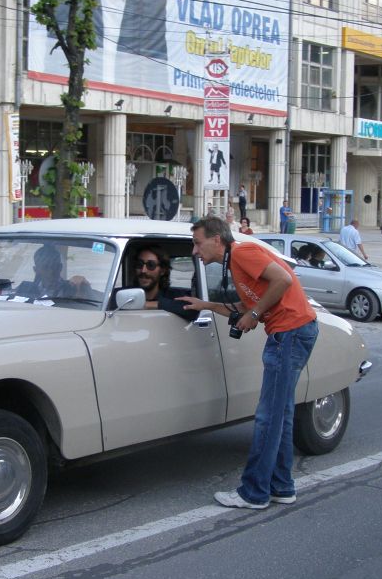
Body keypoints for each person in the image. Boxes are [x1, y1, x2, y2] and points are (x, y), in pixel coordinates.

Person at [180, 216, 318, 509]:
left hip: (289, 333)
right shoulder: (235, 263)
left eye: (197, 243)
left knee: (268, 416)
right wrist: (206, 305)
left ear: (216, 240)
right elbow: (245, 304)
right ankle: (281, 486)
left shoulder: (242, 252)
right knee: (281, 415)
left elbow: (283, 279)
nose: (195, 251)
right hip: (292, 333)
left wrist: (255, 315)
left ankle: (253, 493)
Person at [128, 245, 197, 321]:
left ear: (162, 271)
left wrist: (151, 304)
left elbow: (193, 309)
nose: (143, 270)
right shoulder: (125, 294)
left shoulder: (173, 296)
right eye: (139, 264)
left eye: (151, 265)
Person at [16, 244, 92, 299]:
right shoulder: (24, 289)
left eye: (54, 266)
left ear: (60, 267)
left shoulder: (72, 288)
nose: (51, 271)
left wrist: (82, 285)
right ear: (36, 270)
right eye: (45, 267)